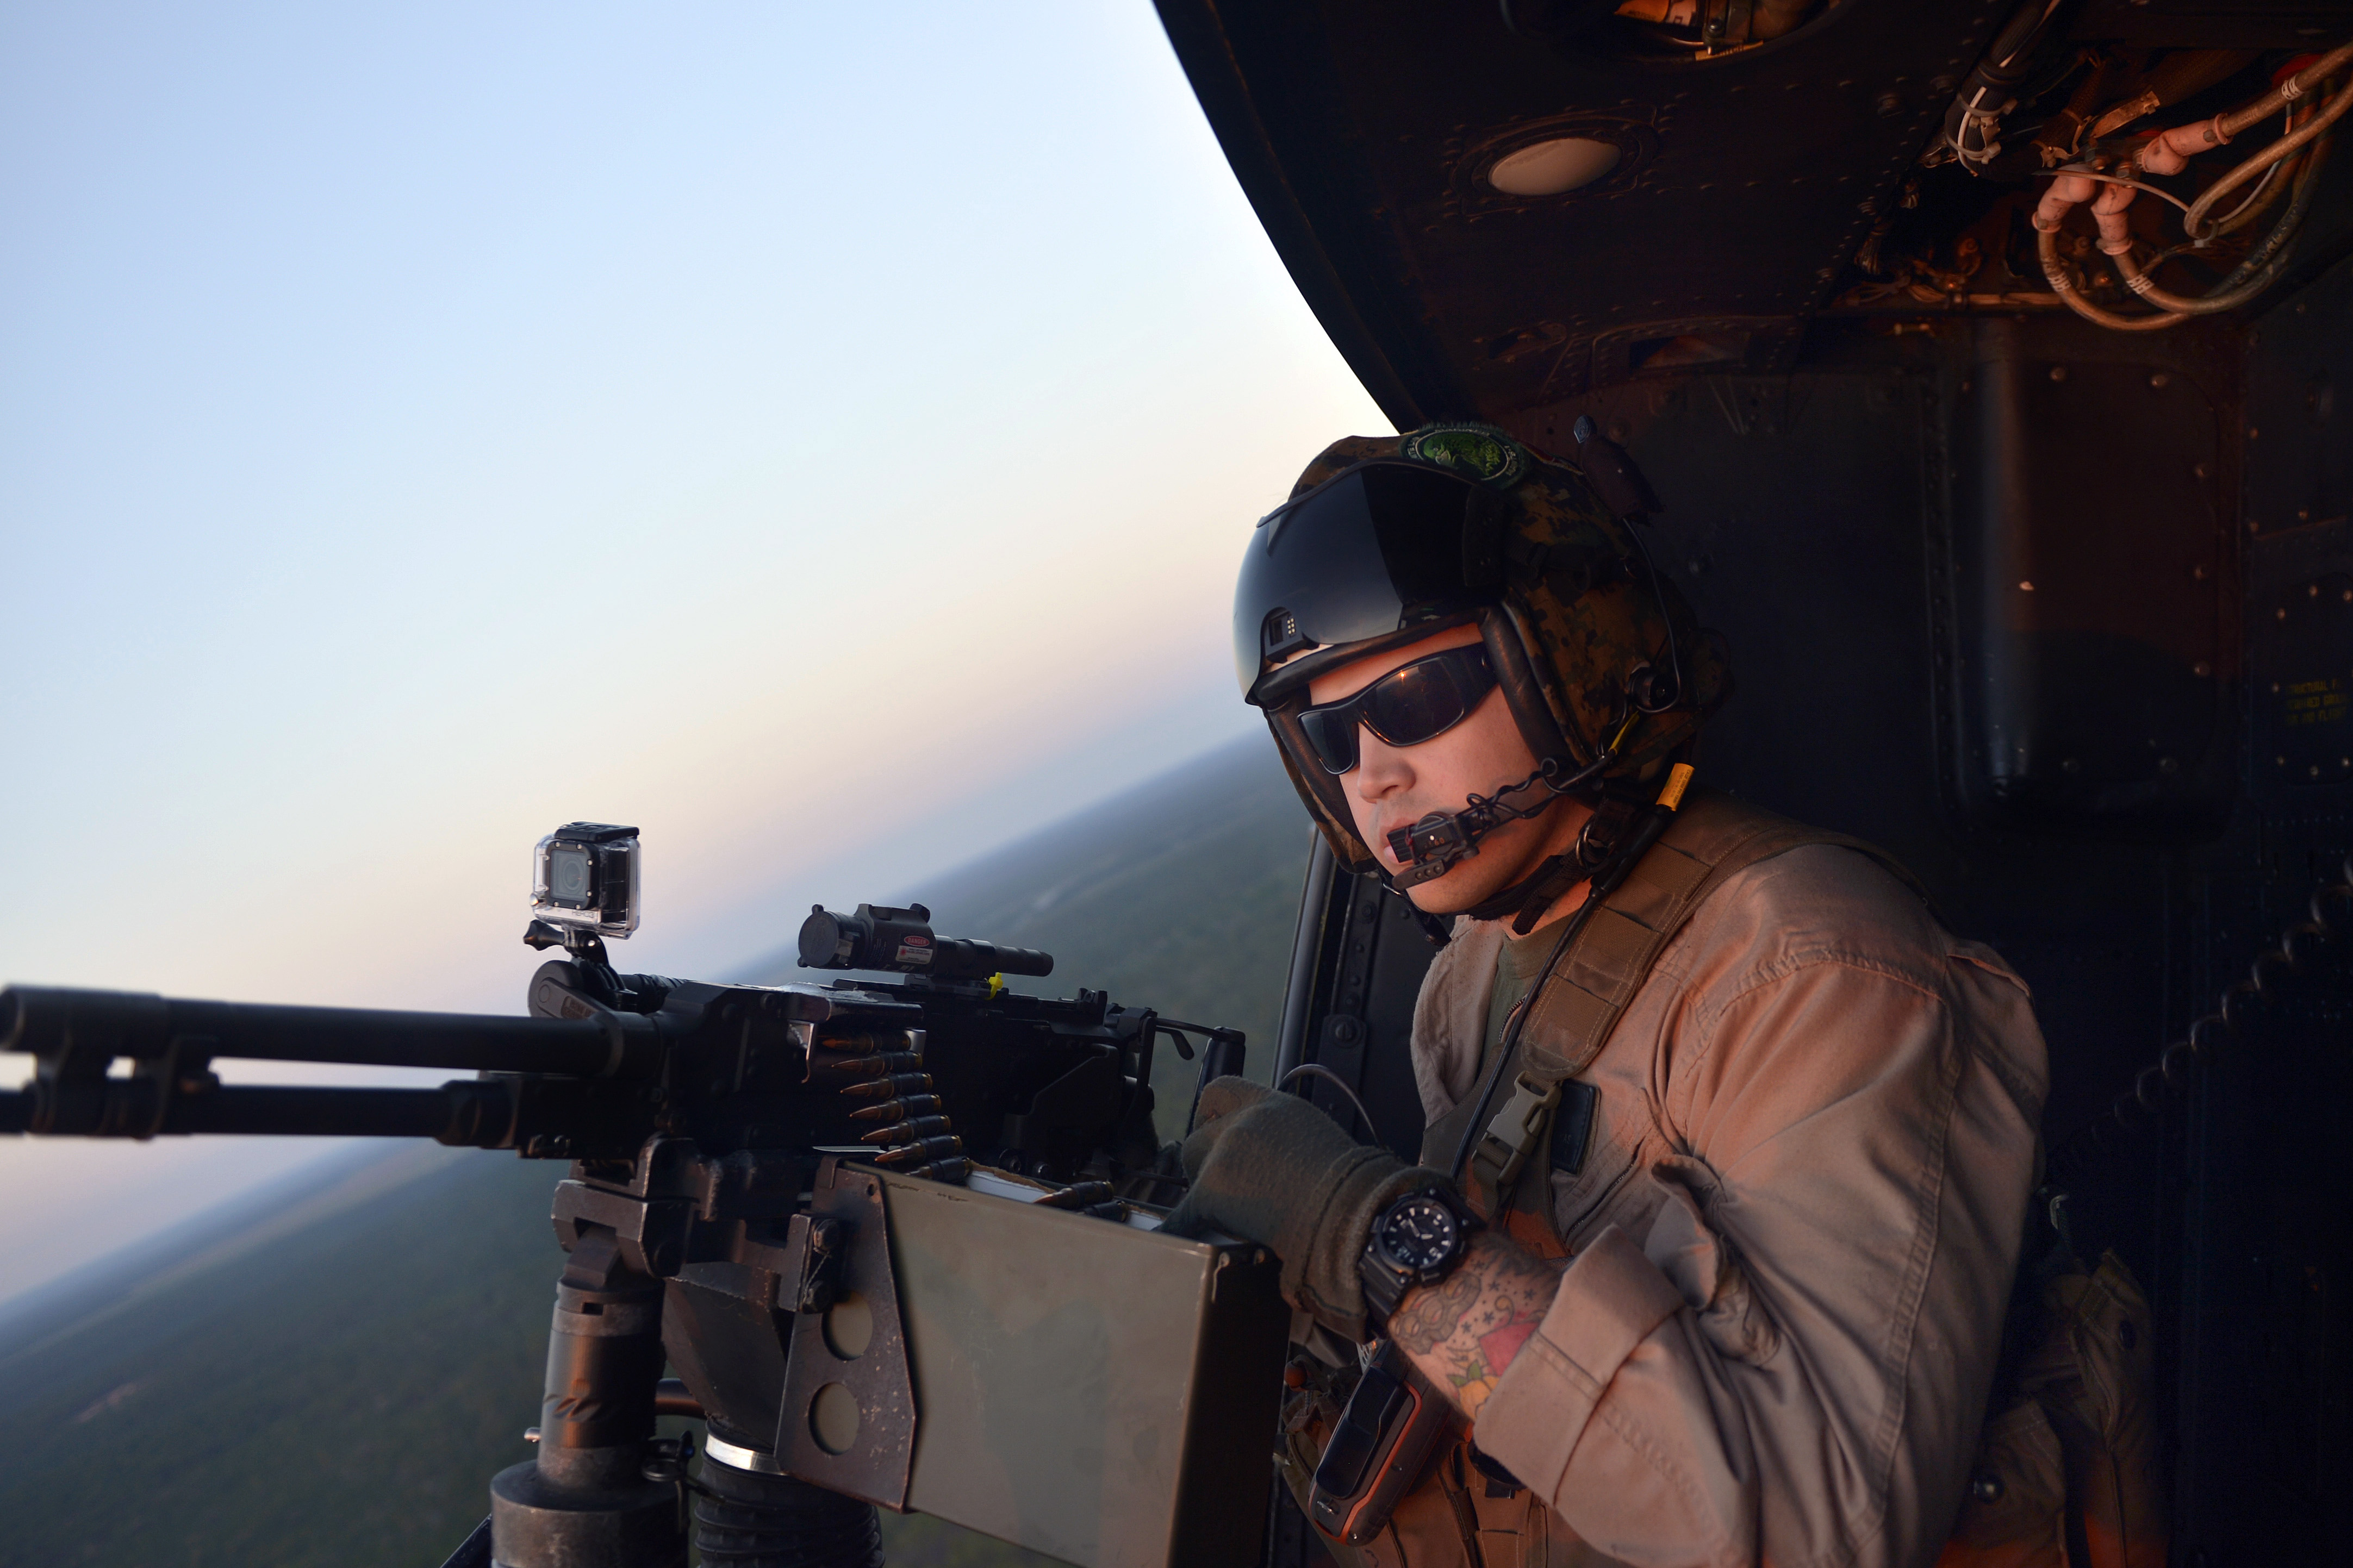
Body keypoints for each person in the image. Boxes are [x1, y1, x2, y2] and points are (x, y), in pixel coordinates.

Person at [1163, 422, 2048, 1568]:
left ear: (1571, 662)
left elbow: (1826, 1533)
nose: (1372, 773)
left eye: (1420, 693)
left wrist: (1377, 1234)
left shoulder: (1815, 971)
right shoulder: (1470, 980)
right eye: (1330, 732)